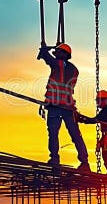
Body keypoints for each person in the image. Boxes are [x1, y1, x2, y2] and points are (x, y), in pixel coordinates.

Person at [38, 43, 90, 171]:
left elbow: (48, 59)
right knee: (75, 135)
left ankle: (54, 159)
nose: (57, 54)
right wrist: (50, 51)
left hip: (56, 106)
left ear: (65, 55)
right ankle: (84, 162)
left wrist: (45, 49)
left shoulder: (60, 64)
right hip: (68, 106)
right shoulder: (74, 69)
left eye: (59, 52)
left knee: (53, 133)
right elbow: (51, 61)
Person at [78, 90, 107, 178]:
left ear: (103, 100)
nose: (97, 103)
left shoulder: (105, 111)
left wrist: (80, 119)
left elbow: (94, 120)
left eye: (98, 101)